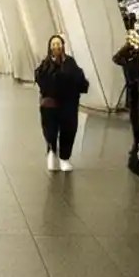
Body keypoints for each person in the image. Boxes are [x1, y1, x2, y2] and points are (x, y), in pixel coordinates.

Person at [35, 34, 89, 173]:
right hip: (50, 105)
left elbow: (79, 79)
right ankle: (52, 152)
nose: (56, 47)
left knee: (68, 131)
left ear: (63, 46)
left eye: (58, 44)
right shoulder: (45, 64)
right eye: (53, 44)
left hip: (68, 105)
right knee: (50, 131)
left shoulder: (70, 62)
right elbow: (40, 79)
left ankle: (64, 158)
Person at [113, 29, 139, 176]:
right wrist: (127, 47)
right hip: (132, 92)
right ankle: (138, 142)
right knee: (134, 119)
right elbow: (115, 58)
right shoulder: (127, 56)